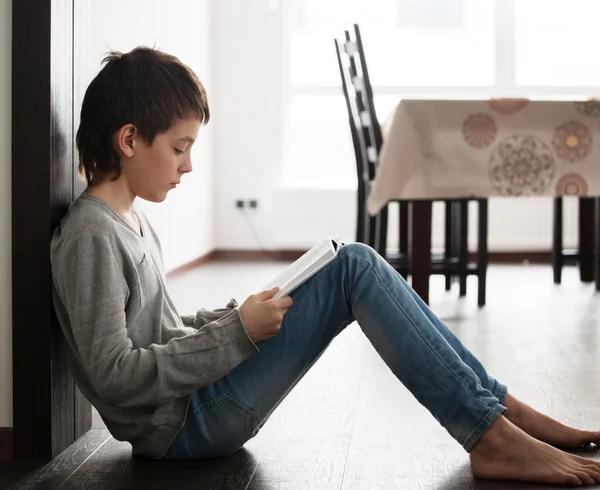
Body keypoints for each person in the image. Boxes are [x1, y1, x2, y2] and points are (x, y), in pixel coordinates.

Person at [50, 47, 600, 487]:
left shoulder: (127, 219)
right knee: (355, 266)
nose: (188, 165)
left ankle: (498, 412)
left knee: (344, 262)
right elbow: (115, 376)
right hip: (186, 426)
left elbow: (160, 333)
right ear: (129, 140)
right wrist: (237, 334)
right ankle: (493, 432)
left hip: (198, 402)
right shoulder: (91, 234)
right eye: (179, 149)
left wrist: (232, 318)